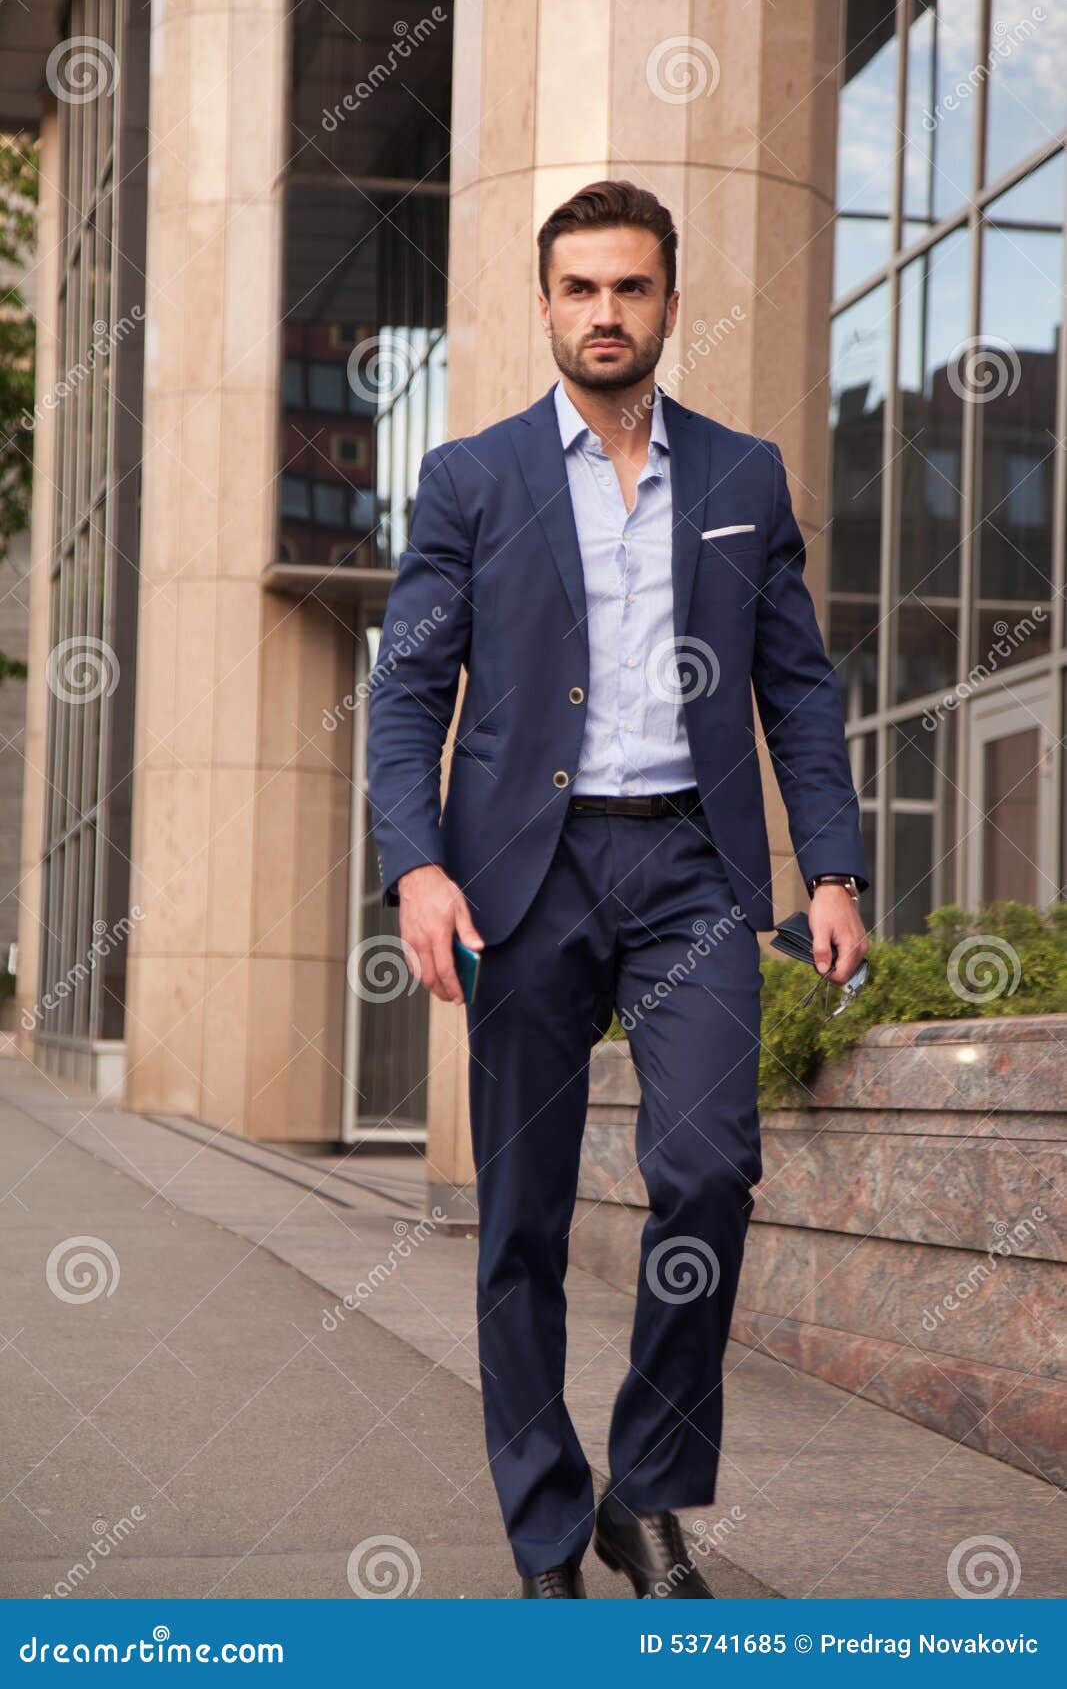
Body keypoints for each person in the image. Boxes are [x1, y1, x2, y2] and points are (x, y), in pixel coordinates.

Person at [367, 180, 869, 1598]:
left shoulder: (742, 476)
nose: (604, 312)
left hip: (689, 872)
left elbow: (798, 690)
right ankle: (544, 1527)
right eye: (579, 288)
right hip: (523, 875)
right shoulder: (472, 479)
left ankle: (644, 1492)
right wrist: (416, 862)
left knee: (708, 1167)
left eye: (630, 288)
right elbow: (408, 692)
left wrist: (828, 866)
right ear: (545, 304)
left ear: (665, 298)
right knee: (520, 1213)